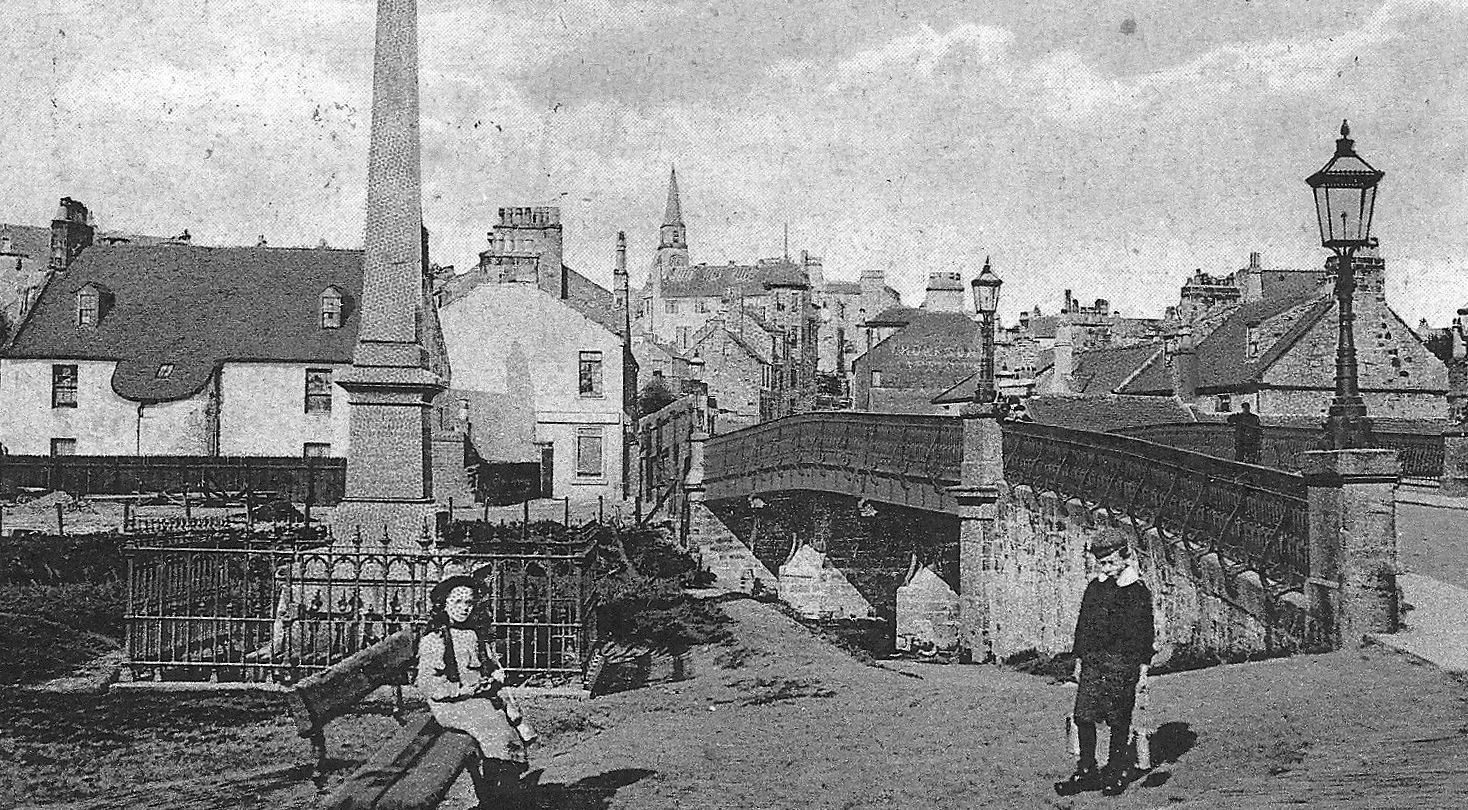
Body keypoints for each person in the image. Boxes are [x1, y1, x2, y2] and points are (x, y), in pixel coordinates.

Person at [417, 575, 533, 805]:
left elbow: (486, 667)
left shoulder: (473, 635)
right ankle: (498, 793)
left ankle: (497, 792)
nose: (463, 609)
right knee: (496, 728)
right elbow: (431, 686)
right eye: (457, 602)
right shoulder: (435, 639)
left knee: (506, 718)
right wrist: (467, 690)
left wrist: (493, 677)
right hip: (450, 705)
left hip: (475, 700)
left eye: (468, 603)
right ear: (444, 604)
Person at [1055, 536, 1156, 797]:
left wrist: (1143, 669)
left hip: (1123, 663)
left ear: (1125, 557)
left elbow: (1145, 635)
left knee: (1118, 719)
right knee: (1083, 716)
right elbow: (1083, 626)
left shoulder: (1137, 592)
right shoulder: (1095, 588)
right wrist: (1079, 659)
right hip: (1093, 662)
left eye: (1111, 562)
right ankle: (1087, 769)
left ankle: (1115, 770)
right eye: (1102, 562)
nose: (1106, 568)